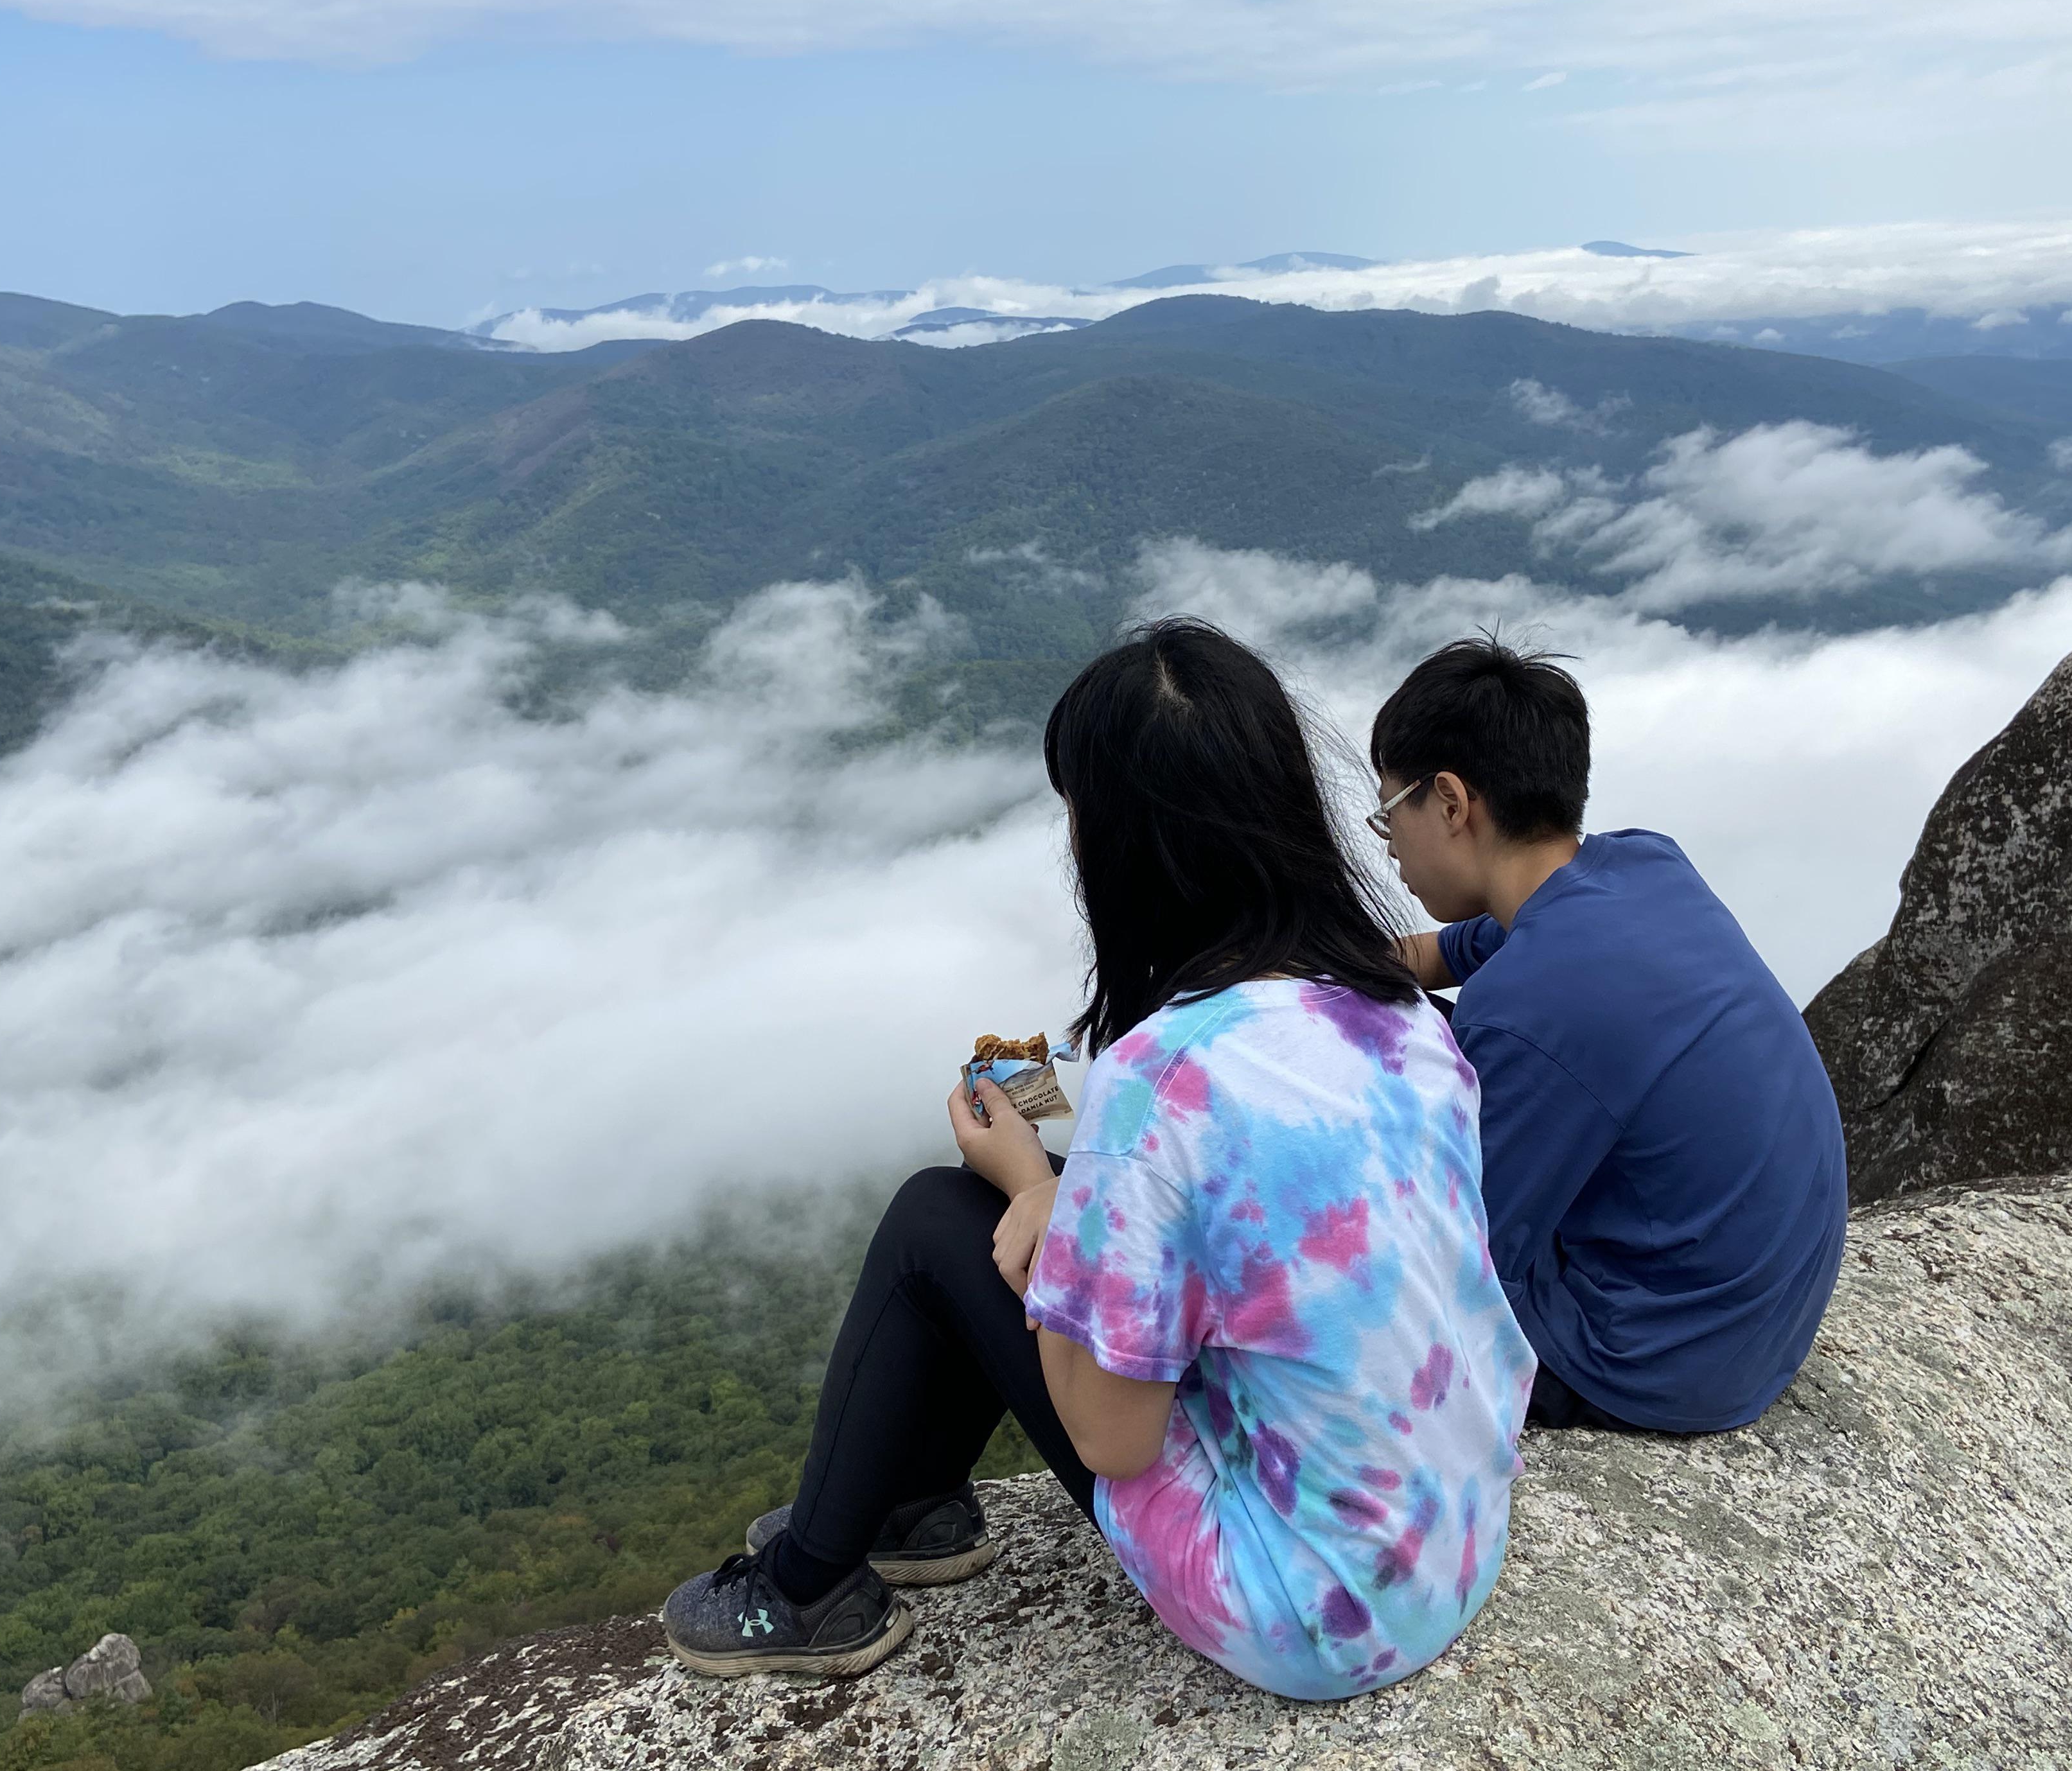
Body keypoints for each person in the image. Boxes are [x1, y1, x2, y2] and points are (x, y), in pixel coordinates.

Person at [662, 618, 1538, 1698]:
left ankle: (804, 1588)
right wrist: (1065, 1197)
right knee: (1020, 1205)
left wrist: (1038, 1192)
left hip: (1314, 1614)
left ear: (1123, 845)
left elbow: (1112, 1439)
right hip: (1451, 1531)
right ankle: (909, 1509)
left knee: (936, 1217)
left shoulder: (1159, 1080)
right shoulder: (1397, 1011)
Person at [1367, 636, 1847, 1435]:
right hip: (1756, 1316)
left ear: (1450, 803)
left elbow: (1450, 1275)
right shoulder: (1641, 865)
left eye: (1390, 813)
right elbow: (1460, 950)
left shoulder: (1526, 1007)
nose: (1388, 845)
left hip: (1653, 1358)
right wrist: (1333, 964)